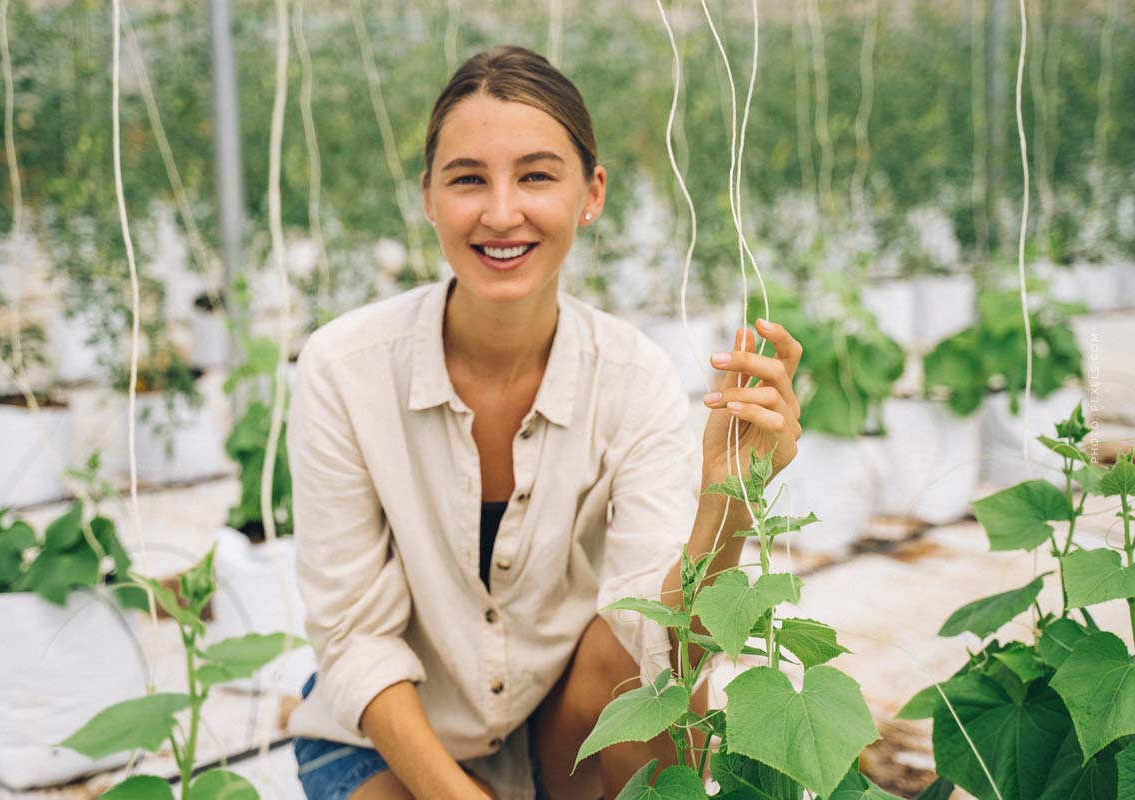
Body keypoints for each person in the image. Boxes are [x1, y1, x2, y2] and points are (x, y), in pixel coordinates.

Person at [287, 44, 803, 800]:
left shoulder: (633, 378)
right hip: (391, 739)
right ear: (428, 196)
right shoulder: (343, 368)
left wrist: (727, 499)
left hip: (556, 727)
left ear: (591, 194)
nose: (501, 213)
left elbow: (664, 645)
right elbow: (354, 638)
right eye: (468, 180)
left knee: (650, 661)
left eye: (536, 175)